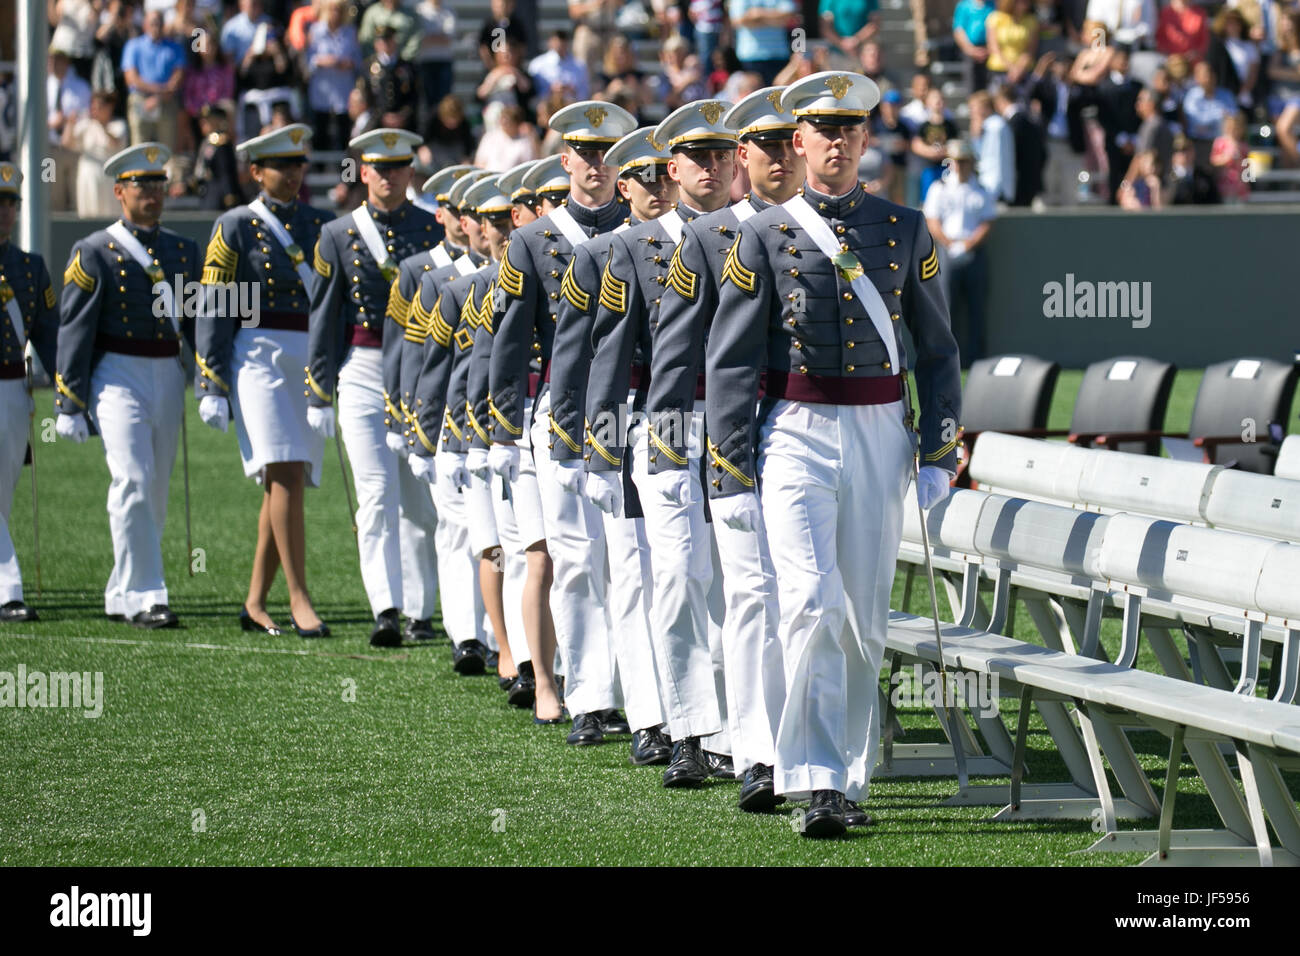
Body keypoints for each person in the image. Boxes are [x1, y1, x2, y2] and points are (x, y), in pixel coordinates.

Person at [707, 71, 961, 837]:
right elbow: (730, 361)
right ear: (799, 142)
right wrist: (732, 466)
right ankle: (814, 779)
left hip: (882, 429)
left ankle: (849, 775)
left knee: (863, 614)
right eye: (825, 130)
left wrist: (938, 449)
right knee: (808, 602)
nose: (839, 142)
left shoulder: (906, 226)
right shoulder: (760, 233)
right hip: (795, 429)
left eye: (852, 129)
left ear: (864, 138)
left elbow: (939, 348)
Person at [647, 87, 806, 810]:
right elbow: (677, 362)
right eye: (763, 146)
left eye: (786, 142)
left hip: (809, 430)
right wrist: (672, 452)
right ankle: (755, 752)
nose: (777, 156)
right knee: (747, 593)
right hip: (728, 439)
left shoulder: (829, 228)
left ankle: (808, 744)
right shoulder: (706, 240)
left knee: (804, 597)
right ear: (746, 155)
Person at [585, 109, 744, 781]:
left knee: (740, 583)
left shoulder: (762, 233)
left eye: (717, 154)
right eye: (693, 158)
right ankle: (686, 726)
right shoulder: (632, 247)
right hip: (667, 421)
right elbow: (606, 354)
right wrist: (598, 445)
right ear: (672, 170)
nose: (707, 168)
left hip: (743, 416)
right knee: (677, 574)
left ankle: (737, 731)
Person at [488, 101, 638, 741]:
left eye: (610, 153)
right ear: (566, 160)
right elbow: (508, 341)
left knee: (633, 559)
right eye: (587, 152)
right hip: (566, 408)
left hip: (636, 403)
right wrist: (500, 430)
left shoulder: (643, 226)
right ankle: (590, 696)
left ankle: (648, 702)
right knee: (575, 558)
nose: (599, 165)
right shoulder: (530, 240)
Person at [549, 130, 675, 764]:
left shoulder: (709, 242)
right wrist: (583, 445)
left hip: (687, 419)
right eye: (644, 179)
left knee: (686, 575)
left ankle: (688, 717)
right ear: (625, 187)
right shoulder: (601, 254)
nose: (657, 189)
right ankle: (642, 714)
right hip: (626, 418)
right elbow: (574, 359)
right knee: (630, 569)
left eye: (664, 177)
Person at [304, 127, 442, 647]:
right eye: (379, 169)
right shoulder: (338, 234)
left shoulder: (431, 229)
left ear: (411, 171)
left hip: (417, 368)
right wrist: (318, 388)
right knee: (376, 494)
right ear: (363, 172)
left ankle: (420, 609)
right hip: (362, 368)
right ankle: (385, 607)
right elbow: (324, 314)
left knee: (420, 500)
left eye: (398, 167)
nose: (389, 177)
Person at [54, 143, 200, 629]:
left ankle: (122, 588)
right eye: (142, 185)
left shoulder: (183, 251)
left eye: (158, 184)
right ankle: (147, 595)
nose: (153, 194)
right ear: (119, 191)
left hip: (166, 372)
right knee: (133, 480)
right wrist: (69, 400)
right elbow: (75, 327)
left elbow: (201, 318)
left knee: (154, 491)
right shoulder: (93, 251)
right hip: (116, 374)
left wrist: (212, 377)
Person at [193, 123, 330, 638]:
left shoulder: (318, 223)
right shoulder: (235, 225)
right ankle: (299, 597)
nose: (292, 174)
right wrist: (211, 380)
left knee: (283, 482)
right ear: (256, 171)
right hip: (256, 355)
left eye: (298, 165)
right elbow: (213, 304)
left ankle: (254, 602)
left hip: (306, 356)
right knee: (285, 471)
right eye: (281, 166)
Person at [463, 159, 555, 712]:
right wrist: (488, 434)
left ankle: (558, 668)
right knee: (527, 552)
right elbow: (486, 360)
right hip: (520, 417)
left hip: (571, 413)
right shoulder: (500, 278)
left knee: (560, 557)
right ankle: (527, 664)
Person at [0, 164, 60, 624]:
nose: (4, 211)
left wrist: (67, 389)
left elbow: (48, 334)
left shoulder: (29, 266)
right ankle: (8, 589)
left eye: (10, 203)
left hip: (13, 389)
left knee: (4, 492)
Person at [924, 139, 997, 359]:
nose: (961, 165)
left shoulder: (982, 190)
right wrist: (949, 243)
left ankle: (976, 357)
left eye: (965, 161)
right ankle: (948, 356)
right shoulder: (940, 187)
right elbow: (932, 221)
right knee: (947, 306)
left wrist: (967, 245)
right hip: (946, 251)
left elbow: (987, 222)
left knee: (977, 307)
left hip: (974, 251)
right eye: (958, 161)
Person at [306, 0, 361, 152]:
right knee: (320, 133)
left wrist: (346, 63)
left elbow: (358, 60)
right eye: (332, 9)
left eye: (338, 10)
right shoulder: (315, 31)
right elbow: (308, 60)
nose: (335, 14)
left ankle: (345, 173)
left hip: (343, 90)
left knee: (344, 135)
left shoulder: (350, 32)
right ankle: (319, 170)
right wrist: (323, 61)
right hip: (322, 90)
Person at [65, 91, 129, 218]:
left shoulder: (118, 125)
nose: (95, 111)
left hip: (108, 178)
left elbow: (115, 143)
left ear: (109, 108)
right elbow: (67, 143)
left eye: (99, 107)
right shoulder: (85, 125)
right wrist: (70, 124)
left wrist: (101, 124)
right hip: (87, 176)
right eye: (93, 107)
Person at [730, 0, 801, 84]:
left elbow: (789, 13)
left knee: (778, 94)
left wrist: (758, 15)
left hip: (778, 55)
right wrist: (775, 18)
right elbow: (738, 20)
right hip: (751, 57)